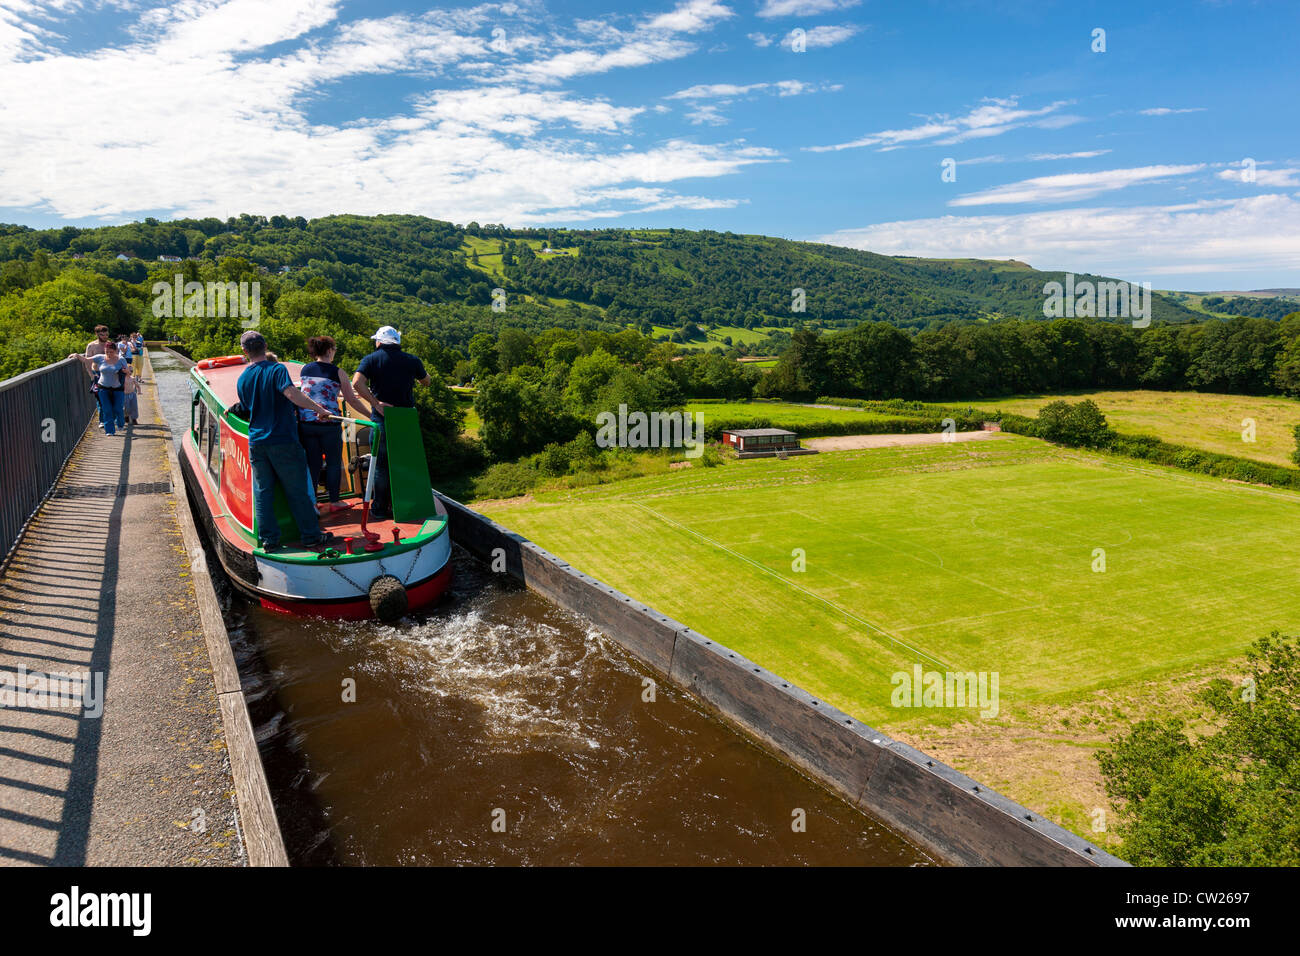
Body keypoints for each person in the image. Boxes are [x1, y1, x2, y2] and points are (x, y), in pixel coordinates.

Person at [235, 331, 342, 553]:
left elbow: (245, 408)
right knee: (297, 490)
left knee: (263, 492)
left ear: (245, 352)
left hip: (257, 442)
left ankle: (269, 540)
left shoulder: (243, 378)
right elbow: (293, 395)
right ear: (265, 345)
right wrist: (319, 409)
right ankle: (311, 537)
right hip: (282, 440)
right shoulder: (277, 369)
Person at [352, 326, 430, 521]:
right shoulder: (412, 360)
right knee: (406, 464)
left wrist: (375, 403)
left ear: (379, 342)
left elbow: (356, 383)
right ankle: (405, 507)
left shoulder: (371, 359)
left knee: (381, 466)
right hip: (406, 418)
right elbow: (426, 381)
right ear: (397, 342)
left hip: (383, 417)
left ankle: (379, 509)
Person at [298, 335, 371, 513]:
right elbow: (351, 400)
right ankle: (335, 501)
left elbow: (313, 393)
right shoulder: (338, 372)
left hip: (306, 423)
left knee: (313, 464)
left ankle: (313, 501)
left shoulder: (305, 369)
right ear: (330, 350)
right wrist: (371, 414)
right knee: (332, 463)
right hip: (328, 423)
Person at [69, 341, 131, 435]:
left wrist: (126, 371)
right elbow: (86, 360)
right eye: (107, 352)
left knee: (118, 408)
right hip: (103, 388)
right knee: (107, 409)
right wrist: (77, 355)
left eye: (111, 352)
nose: (109, 354)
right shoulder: (100, 358)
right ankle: (109, 431)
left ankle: (120, 424)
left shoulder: (121, 359)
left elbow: (128, 373)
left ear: (115, 350)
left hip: (117, 388)